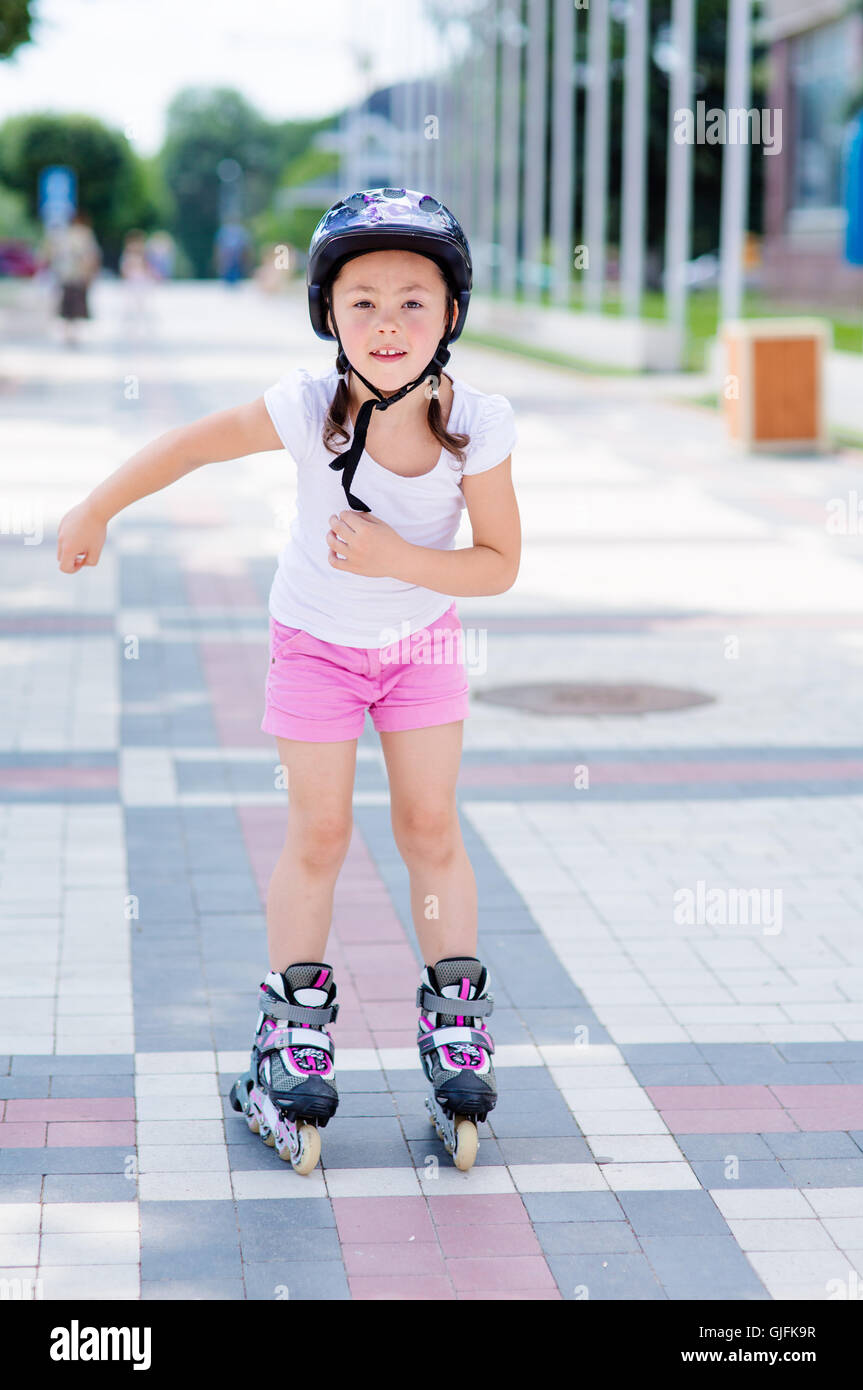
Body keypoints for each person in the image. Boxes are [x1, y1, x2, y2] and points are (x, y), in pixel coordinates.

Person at [55, 187, 520, 1175]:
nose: (387, 323)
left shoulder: (476, 422)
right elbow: (188, 445)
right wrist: (95, 509)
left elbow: (496, 562)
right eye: (362, 302)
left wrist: (396, 555)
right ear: (326, 313)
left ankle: (453, 1023)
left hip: (422, 644)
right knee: (318, 830)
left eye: (411, 300)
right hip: (313, 642)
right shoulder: (307, 406)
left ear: (450, 314)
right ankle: (290, 1033)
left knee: (430, 827)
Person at [43, 210, 102, 346]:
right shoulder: (84, 234)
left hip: (66, 274)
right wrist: (90, 274)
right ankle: (73, 333)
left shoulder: (64, 235)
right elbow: (91, 256)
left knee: (68, 304)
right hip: (77, 274)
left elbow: (53, 254)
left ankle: (69, 332)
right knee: (75, 304)